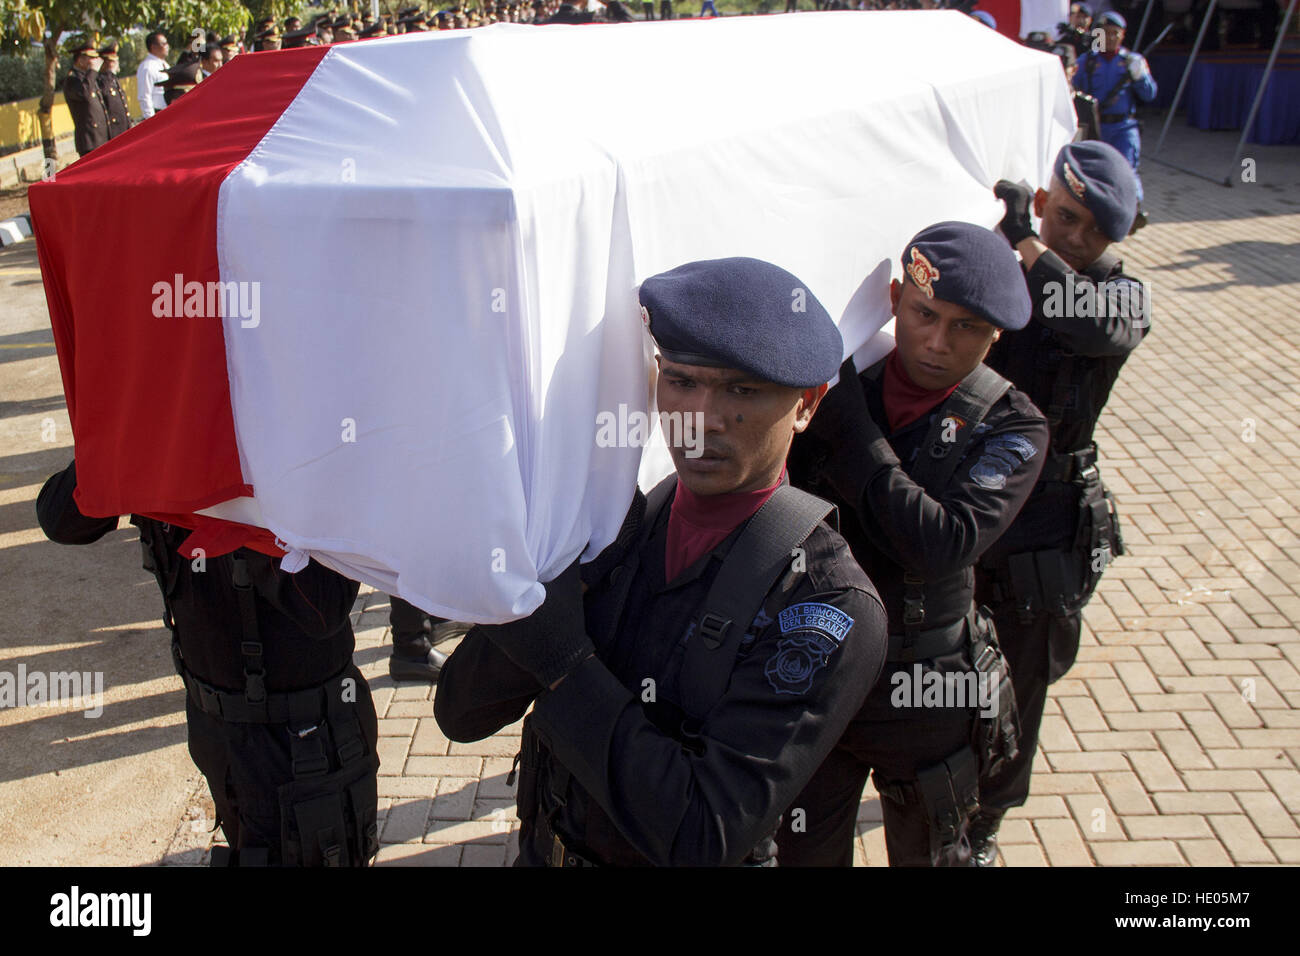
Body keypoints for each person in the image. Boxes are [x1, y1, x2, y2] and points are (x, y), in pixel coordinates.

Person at [435, 257, 889, 867]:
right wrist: (540, 591)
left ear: (806, 405)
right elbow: (460, 714)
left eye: (741, 390)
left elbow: (704, 833)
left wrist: (567, 667)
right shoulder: (620, 525)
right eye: (680, 380)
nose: (700, 419)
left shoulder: (823, 604)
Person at [779, 221, 1048, 867]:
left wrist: (852, 435)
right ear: (895, 297)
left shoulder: (1014, 422)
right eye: (924, 314)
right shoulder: (845, 387)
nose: (936, 342)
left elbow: (941, 542)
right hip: (822, 669)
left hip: (928, 687)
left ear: (996, 335)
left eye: (966, 329)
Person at [37, 461, 380, 866]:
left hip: (307, 741)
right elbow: (62, 521)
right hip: (217, 729)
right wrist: (128, 429)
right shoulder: (161, 436)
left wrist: (234, 512)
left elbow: (324, 608)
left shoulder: (290, 441)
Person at [971, 141, 1148, 865]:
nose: (1077, 240)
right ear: (1045, 200)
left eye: (1094, 231)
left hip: (1047, 525)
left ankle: (987, 819)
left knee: (1025, 675)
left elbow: (1087, 325)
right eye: (1065, 218)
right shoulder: (1010, 272)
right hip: (979, 504)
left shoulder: (1117, 295)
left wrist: (1025, 240)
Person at [1073, 11, 1156, 231]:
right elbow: (1073, 92)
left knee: (1127, 169)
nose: (1110, 38)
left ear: (1122, 35)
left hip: (1122, 126)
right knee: (1093, 171)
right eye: (1105, 33)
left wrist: (1141, 77)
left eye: (1115, 33)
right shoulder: (1087, 61)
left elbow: (1150, 95)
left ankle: (1133, 210)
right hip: (1096, 127)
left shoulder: (1131, 61)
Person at [63, 40, 108, 159]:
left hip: (100, 138)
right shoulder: (72, 79)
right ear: (80, 59)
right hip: (90, 140)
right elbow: (83, 93)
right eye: (91, 58)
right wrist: (93, 71)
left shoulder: (87, 77)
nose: (95, 61)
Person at [96, 42, 131, 141]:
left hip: (123, 129)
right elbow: (104, 93)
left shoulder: (112, 79)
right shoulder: (101, 80)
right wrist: (109, 72)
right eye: (112, 62)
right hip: (113, 131)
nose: (116, 64)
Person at [136, 31, 169, 120]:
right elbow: (144, 96)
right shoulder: (147, 67)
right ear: (153, 47)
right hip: (158, 114)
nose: (167, 46)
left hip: (168, 112)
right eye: (163, 44)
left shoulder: (164, 64)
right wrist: (151, 120)